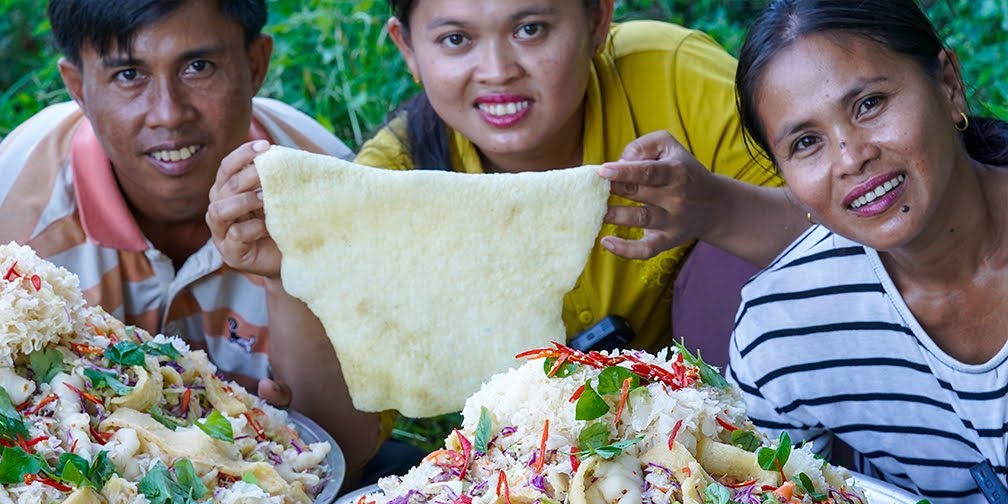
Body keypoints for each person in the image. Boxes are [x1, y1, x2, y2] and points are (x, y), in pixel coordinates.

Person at [208, 0, 808, 368]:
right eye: (455, 40)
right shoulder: (391, 182)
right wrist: (284, 278)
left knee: (719, 268)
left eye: (531, 29)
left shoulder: (670, 74)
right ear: (407, 48)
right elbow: (351, 434)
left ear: (597, 18)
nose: (497, 72)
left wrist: (720, 209)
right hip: (527, 468)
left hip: (729, 404)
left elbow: (848, 235)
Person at [727, 1, 1006, 504]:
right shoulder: (785, 326)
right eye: (806, 143)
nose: (852, 158)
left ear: (948, 85)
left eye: (871, 104)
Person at [0, 0, 384, 473]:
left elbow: (344, 456)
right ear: (78, 88)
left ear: (256, 65)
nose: (168, 114)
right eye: (129, 74)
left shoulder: (324, 185)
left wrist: (285, 278)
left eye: (198, 66)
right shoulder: (22, 208)